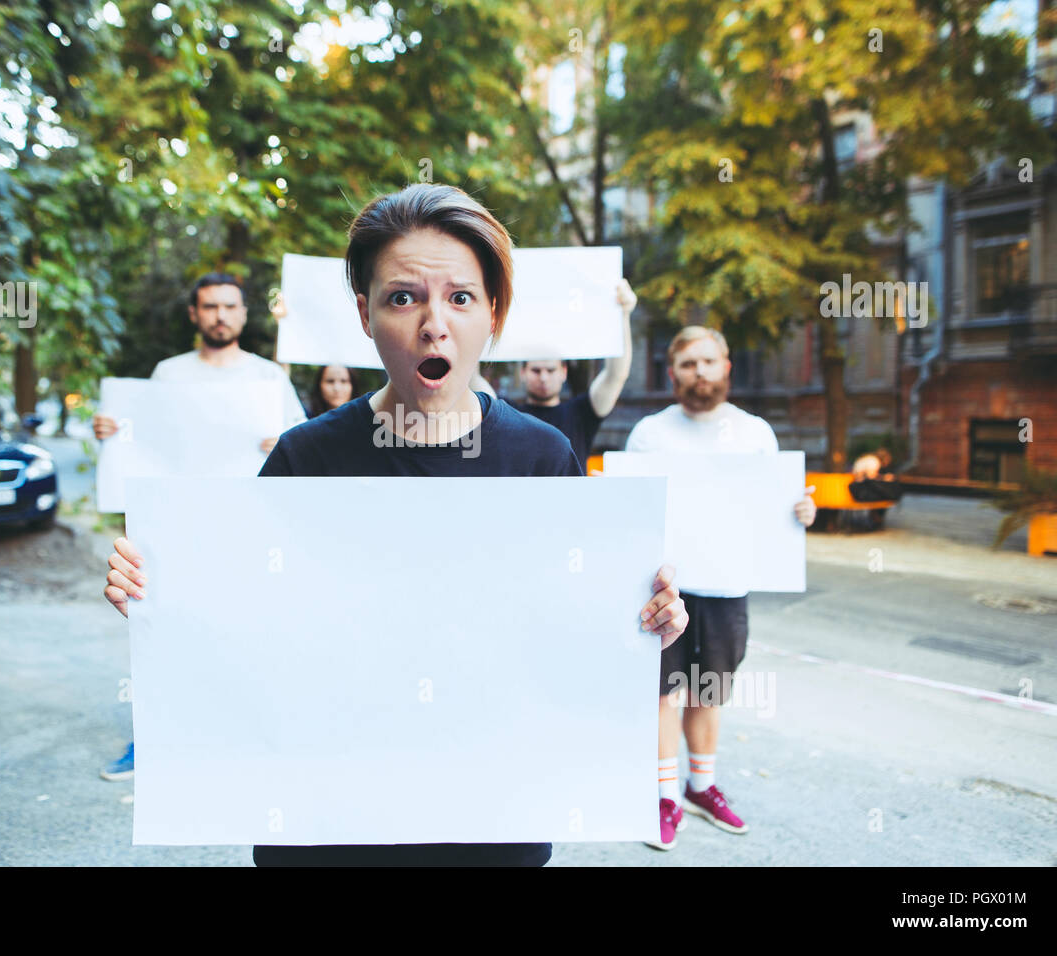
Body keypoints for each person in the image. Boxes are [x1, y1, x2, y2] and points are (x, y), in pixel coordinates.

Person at [102, 183, 690, 866]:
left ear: (493, 315)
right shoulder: (307, 456)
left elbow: (570, 632)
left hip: (491, 817)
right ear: (364, 313)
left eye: (461, 298)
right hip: (327, 822)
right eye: (404, 297)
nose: (434, 323)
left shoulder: (542, 457)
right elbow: (245, 621)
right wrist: (155, 592)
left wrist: (643, 618)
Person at [92, 272, 308, 781]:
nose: (220, 316)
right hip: (179, 524)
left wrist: (280, 443)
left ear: (242, 312)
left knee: (247, 628)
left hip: (250, 525)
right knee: (165, 627)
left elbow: (300, 442)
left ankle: (243, 735)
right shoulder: (169, 374)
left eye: (229, 306)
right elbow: (143, 438)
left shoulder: (266, 379)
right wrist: (110, 431)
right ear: (195, 314)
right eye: (210, 307)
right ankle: (152, 740)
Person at [624, 325, 817, 851]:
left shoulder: (756, 434)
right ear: (673, 373)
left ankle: (701, 787)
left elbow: (775, 510)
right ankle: (665, 796)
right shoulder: (648, 434)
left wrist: (801, 511)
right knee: (663, 692)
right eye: (688, 364)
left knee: (709, 691)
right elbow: (632, 516)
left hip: (728, 585)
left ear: (726, 367)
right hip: (664, 590)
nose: (700, 372)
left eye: (708, 361)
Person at [474, 279, 636, 470]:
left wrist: (622, 315)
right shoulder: (504, 411)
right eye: (536, 370)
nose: (543, 377)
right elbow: (472, 378)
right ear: (523, 373)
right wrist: (478, 313)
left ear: (564, 372)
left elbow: (615, 376)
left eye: (550, 370)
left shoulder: (582, 413)